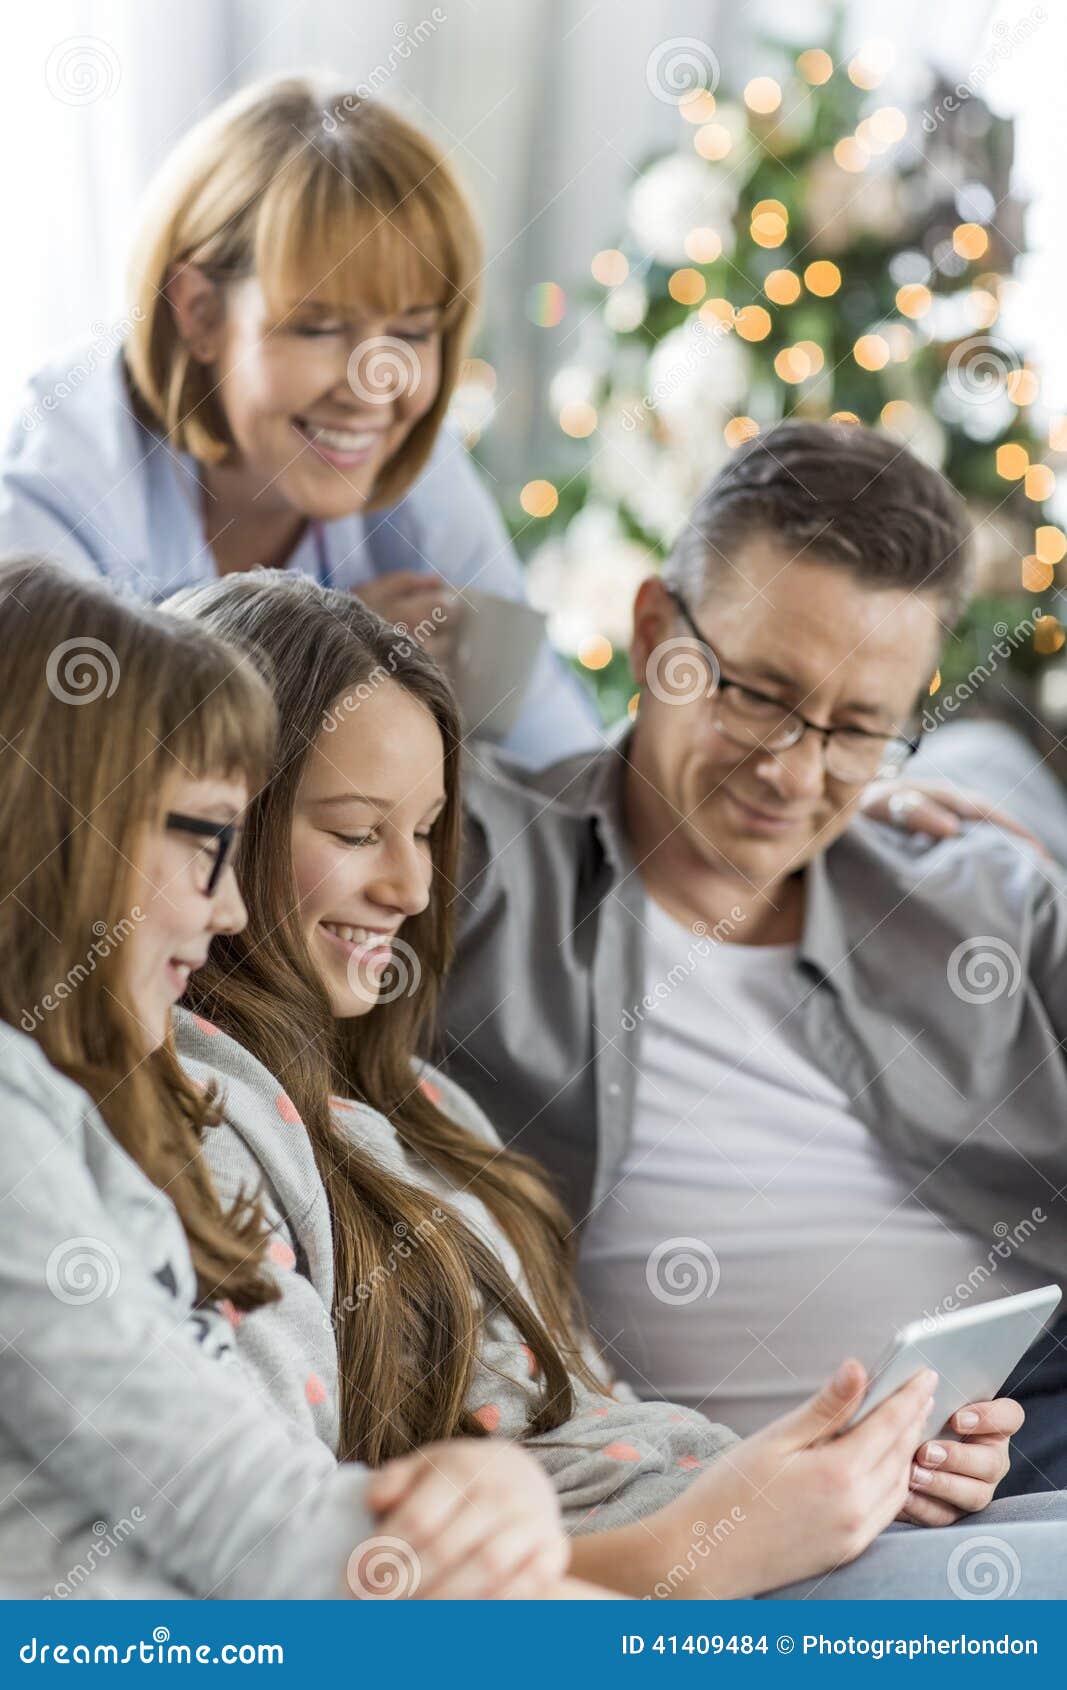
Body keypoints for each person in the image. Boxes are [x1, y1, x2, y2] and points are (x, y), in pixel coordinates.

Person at [163, 569, 1059, 1601]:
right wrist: (700, 1552)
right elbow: (279, 1584)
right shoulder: (204, 1119)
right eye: (358, 831)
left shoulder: (421, 1107)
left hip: (742, 1533)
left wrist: (833, 1472)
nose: (411, 888)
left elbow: (598, 1425)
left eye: (423, 832)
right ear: (216, 821)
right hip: (658, 1595)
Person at [436, 419, 1067, 1499]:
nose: (792, 769)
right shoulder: (478, 864)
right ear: (651, 635)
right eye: (758, 694)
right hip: (779, 1501)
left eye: (856, 727)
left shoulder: (983, 895)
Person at [0, 557, 589, 1602]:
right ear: (59, 833)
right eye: (199, 841)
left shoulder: (69, 1115)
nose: (225, 910)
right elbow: (254, 1527)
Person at [0, 74, 597, 768]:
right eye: (316, 328)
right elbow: (57, 806)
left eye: (410, 333)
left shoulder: (403, 456)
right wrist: (309, 667)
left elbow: (559, 763)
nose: (375, 386)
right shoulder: (58, 484)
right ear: (198, 313)